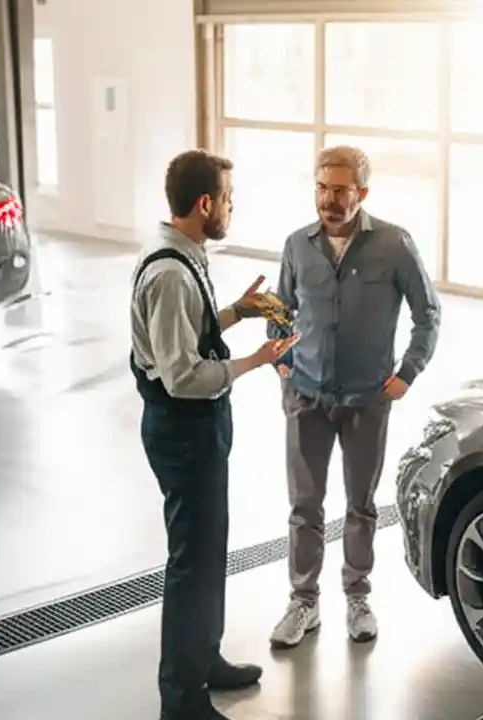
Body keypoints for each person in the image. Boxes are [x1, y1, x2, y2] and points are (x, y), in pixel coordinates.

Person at [132, 149, 300, 720]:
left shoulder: (186, 255)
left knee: (207, 555)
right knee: (191, 565)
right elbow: (182, 376)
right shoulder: (171, 273)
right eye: (227, 198)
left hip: (198, 429)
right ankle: (181, 700)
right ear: (204, 204)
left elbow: (186, 335)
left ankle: (205, 661)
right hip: (184, 430)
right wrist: (255, 360)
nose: (231, 207)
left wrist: (235, 311)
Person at [267, 145, 441, 648]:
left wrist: (408, 371)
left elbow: (427, 312)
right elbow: (280, 310)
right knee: (304, 505)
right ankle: (303, 602)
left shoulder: (393, 243)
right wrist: (283, 367)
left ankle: (357, 596)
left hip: (367, 398)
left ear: (361, 192)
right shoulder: (298, 245)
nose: (328, 199)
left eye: (340, 190)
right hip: (306, 397)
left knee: (361, 504)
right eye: (321, 188)